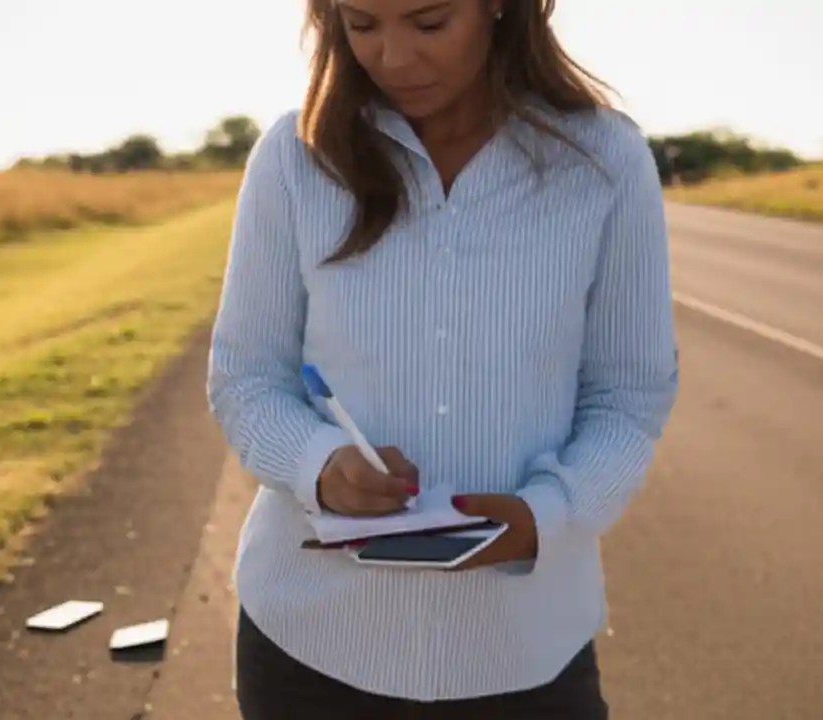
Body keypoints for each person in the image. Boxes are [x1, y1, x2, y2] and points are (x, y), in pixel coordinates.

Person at [206, 0, 679, 716]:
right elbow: (247, 378)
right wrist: (321, 466)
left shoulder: (605, 161)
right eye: (362, 25)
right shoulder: (294, 157)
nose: (393, 58)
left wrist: (544, 516)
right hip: (310, 648)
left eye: (428, 24)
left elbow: (628, 398)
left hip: (524, 655)